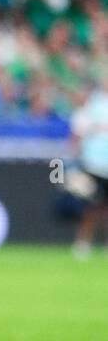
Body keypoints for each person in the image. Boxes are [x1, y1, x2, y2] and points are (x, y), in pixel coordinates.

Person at [71, 76, 108, 257]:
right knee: (91, 206)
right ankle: (83, 243)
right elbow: (79, 128)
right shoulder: (94, 104)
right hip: (94, 163)